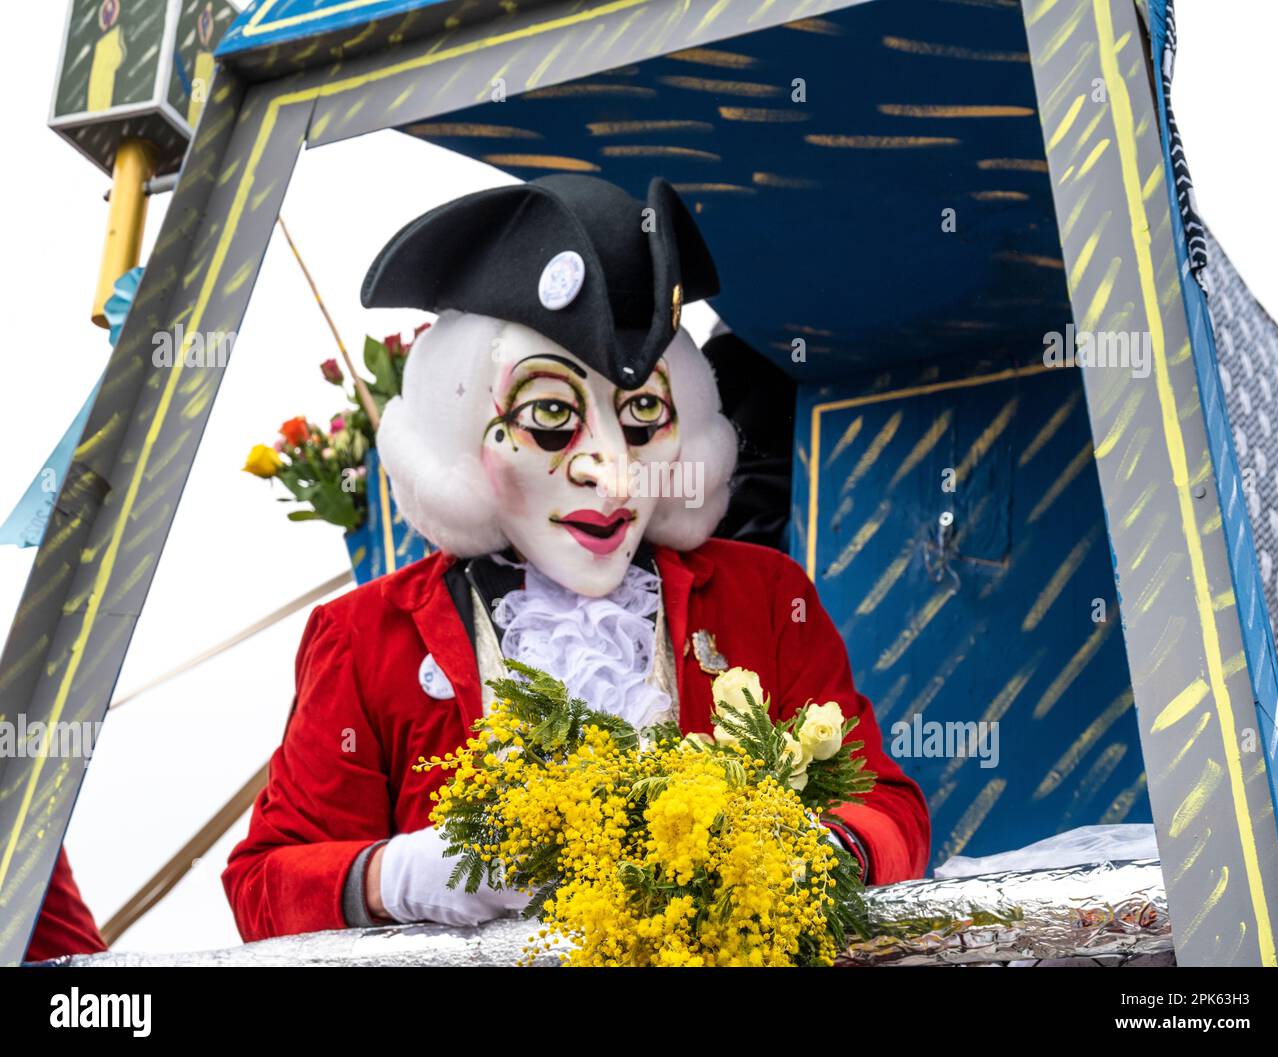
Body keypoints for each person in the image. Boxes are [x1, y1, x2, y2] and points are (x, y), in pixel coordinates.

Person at [223, 175, 929, 940]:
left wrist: (808, 857)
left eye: (642, 417)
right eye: (551, 415)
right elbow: (265, 889)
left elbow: (890, 811)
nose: (612, 470)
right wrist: (402, 875)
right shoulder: (366, 638)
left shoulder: (764, 596)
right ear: (461, 427)